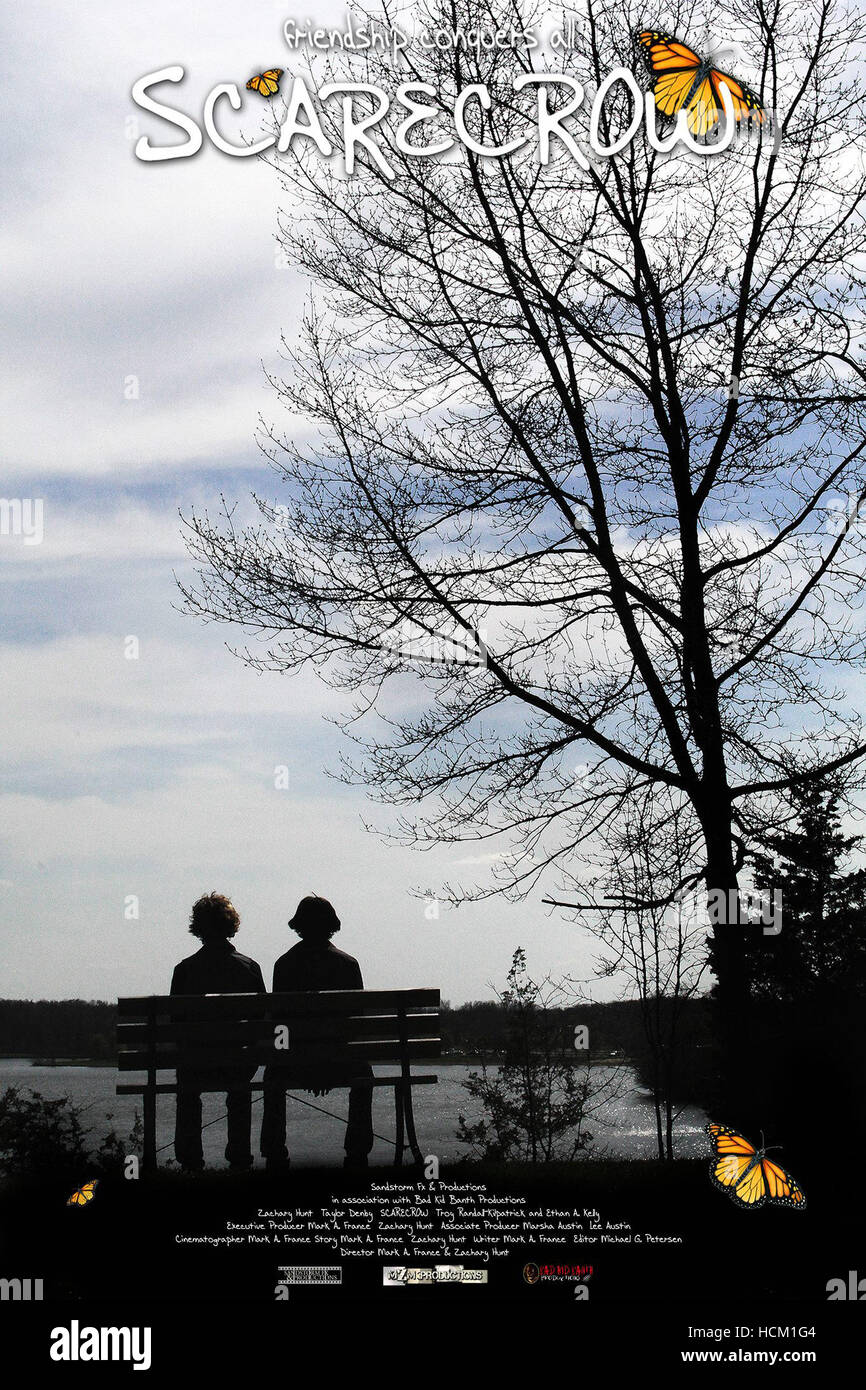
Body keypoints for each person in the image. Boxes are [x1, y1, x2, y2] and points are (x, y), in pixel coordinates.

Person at [260, 894, 374, 1171]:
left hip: (294, 1063)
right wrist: (328, 1059)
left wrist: (304, 1061)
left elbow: (281, 1024)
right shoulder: (348, 964)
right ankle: (357, 1153)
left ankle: (275, 1154)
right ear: (331, 925)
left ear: (299, 925)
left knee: (272, 1074)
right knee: (365, 1074)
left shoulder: (284, 965)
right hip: (340, 1060)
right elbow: (355, 1021)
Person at [171, 892, 265, 1171]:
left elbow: (176, 1022)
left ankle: (190, 1160)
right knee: (239, 1089)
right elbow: (260, 1019)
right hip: (237, 1063)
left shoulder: (184, 970)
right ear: (230, 924)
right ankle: (239, 1157)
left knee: (187, 1091)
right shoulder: (249, 968)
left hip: (196, 1063)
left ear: (198, 927)